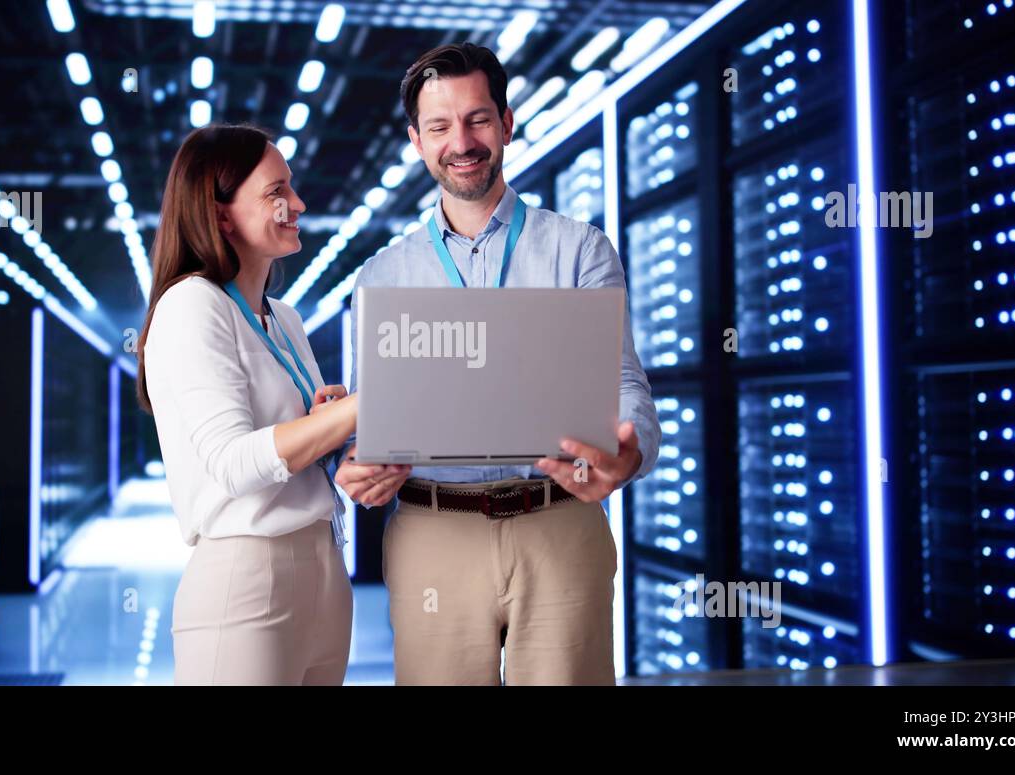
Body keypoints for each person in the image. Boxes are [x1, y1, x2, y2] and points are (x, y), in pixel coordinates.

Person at [335, 43, 662, 685]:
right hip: (434, 529)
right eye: (439, 126)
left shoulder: (579, 249)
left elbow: (623, 382)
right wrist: (356, 463)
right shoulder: (383, 274)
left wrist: (630, 452)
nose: (462, 141)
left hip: (559, 520)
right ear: (417, 140)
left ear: (507, 123)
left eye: (478, 119)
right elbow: (370, 413)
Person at [137, 124, 367, 685]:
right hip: (247, 578)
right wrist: (363, 405)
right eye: (276, 192)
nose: (298, 204)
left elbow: (302, 448)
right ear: (220, 216)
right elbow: (235, 463)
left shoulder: (282, 318)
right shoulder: (192, 305)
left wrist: (338, 437)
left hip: (325, 568)